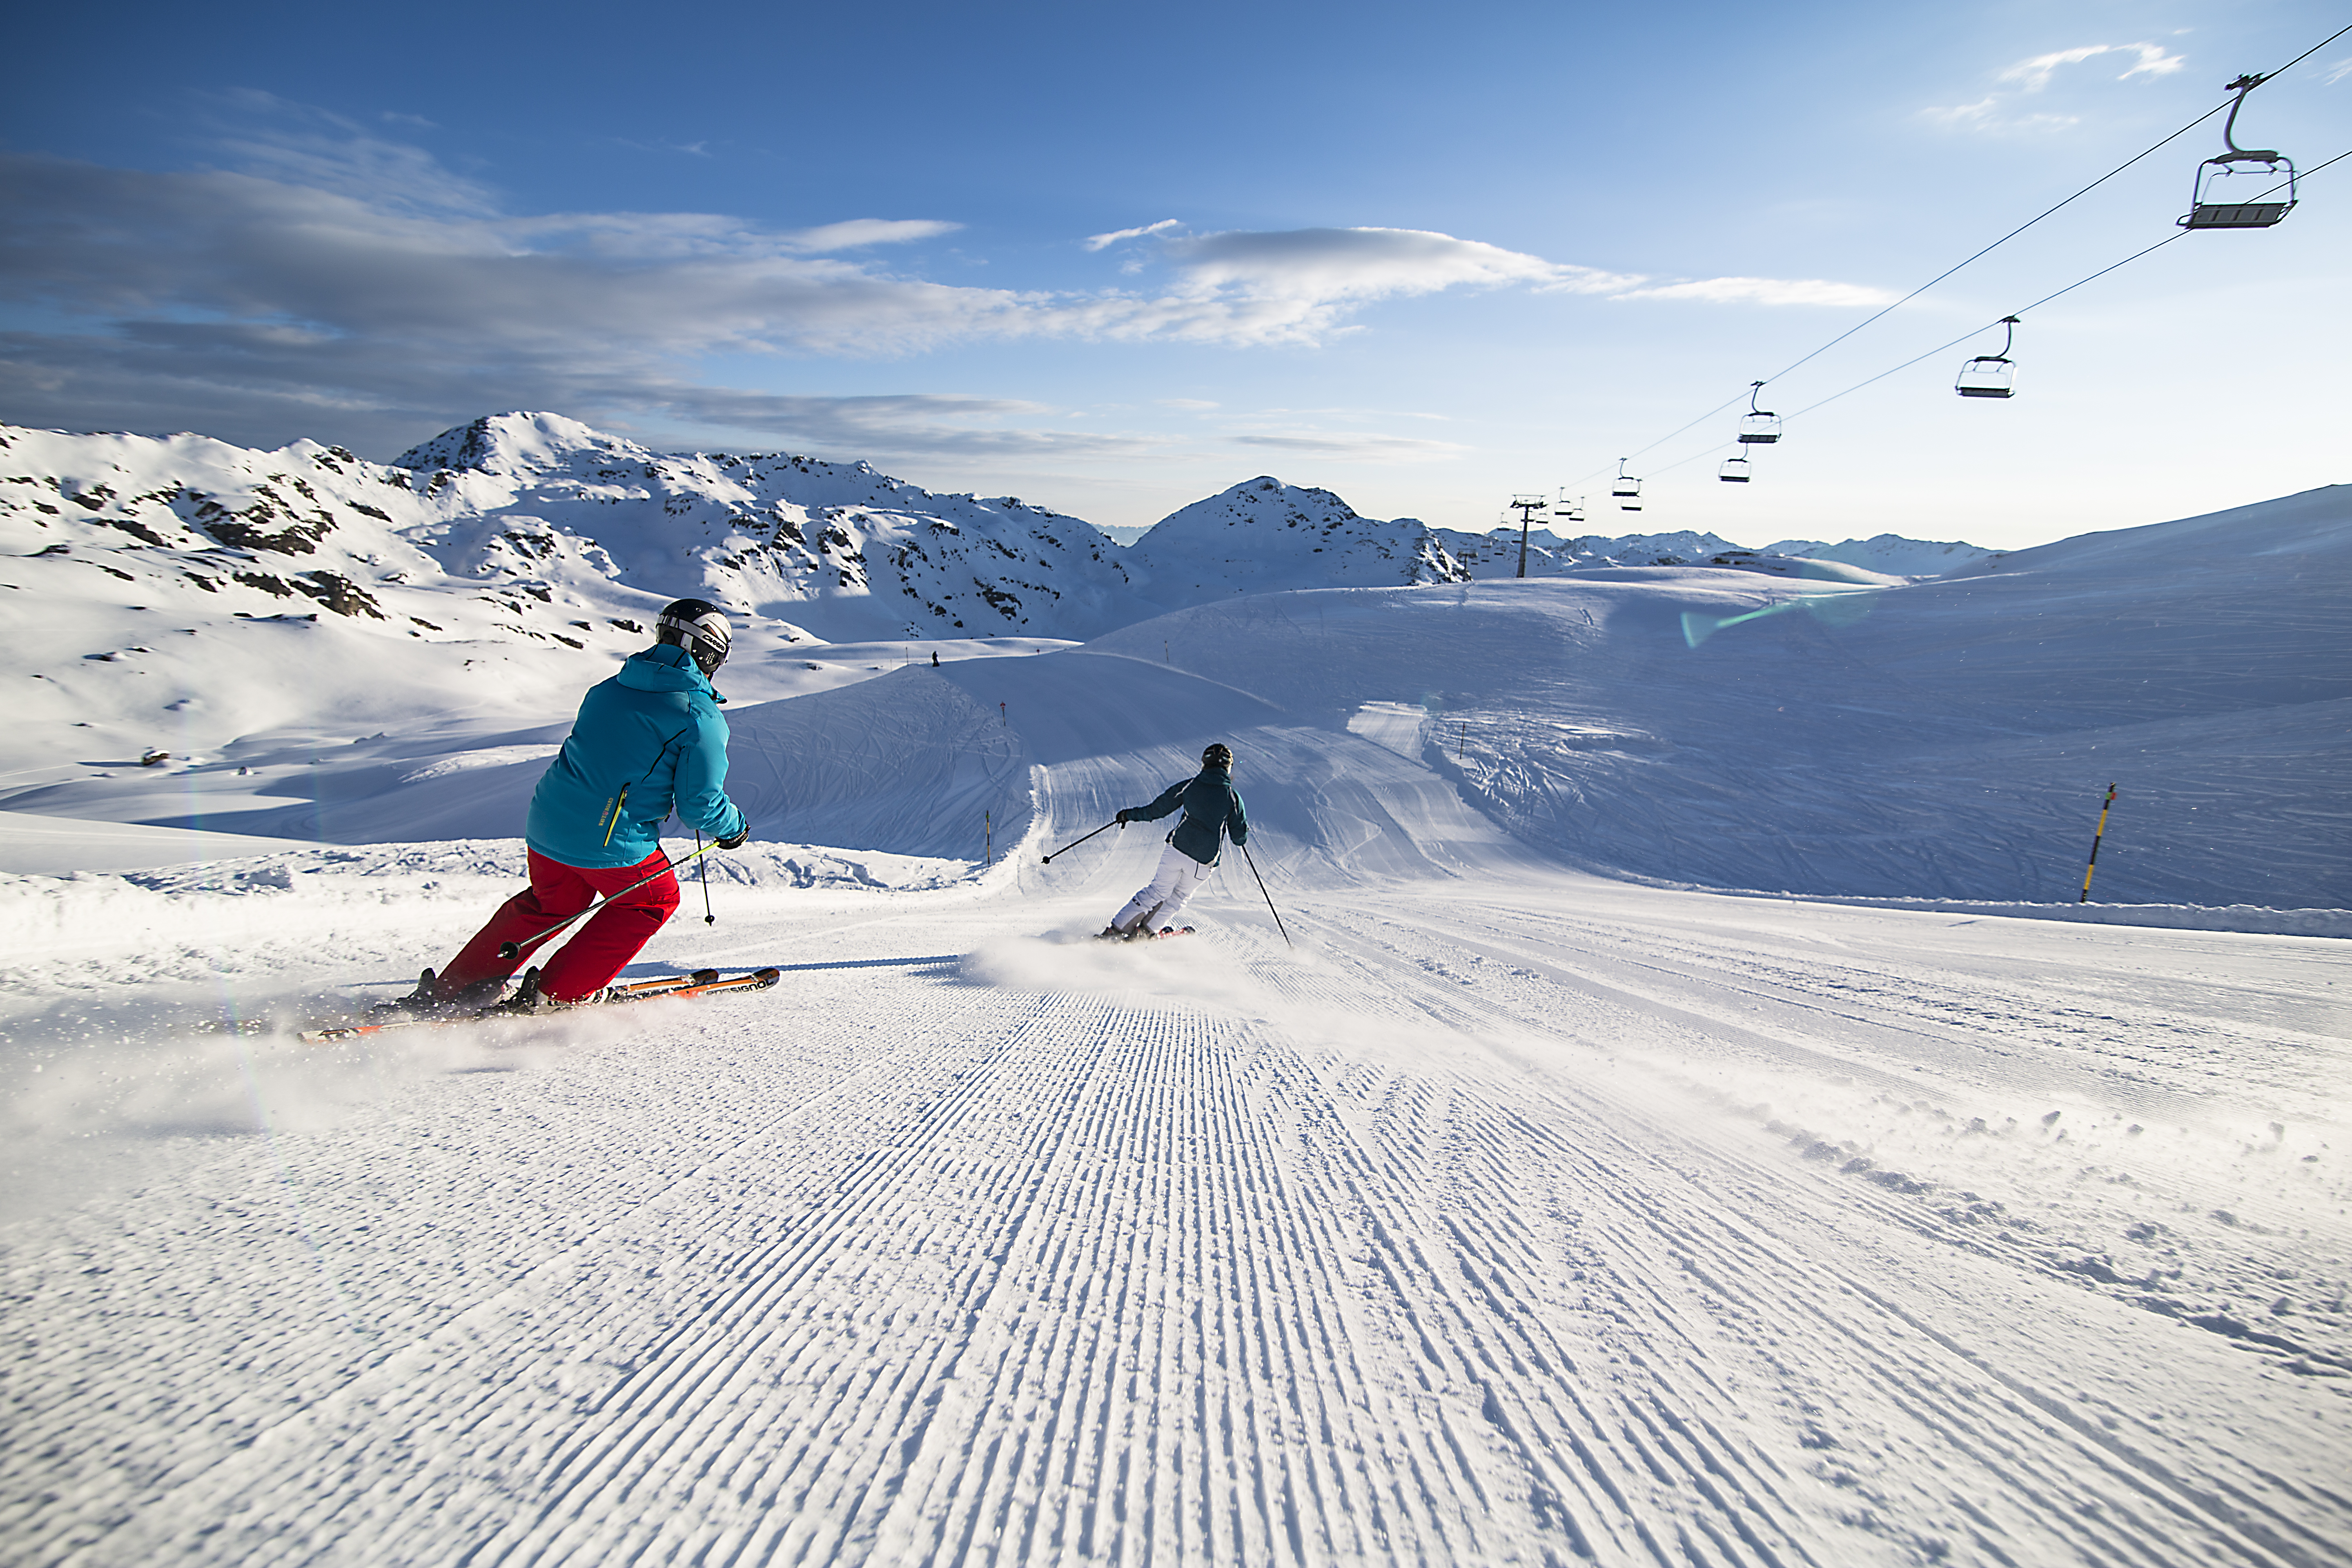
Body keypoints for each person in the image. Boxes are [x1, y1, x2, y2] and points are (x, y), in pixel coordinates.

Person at [412, 598, 751, 1011]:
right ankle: (558, 993)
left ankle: (458, 987)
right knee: (651, 900)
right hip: (609, 838)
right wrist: (734, 828)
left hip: (549, 821)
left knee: (552, 904)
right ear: (708, 652)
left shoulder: (609, 688)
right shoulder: (699, 717)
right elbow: (699, 806)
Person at [1100, 743, 1247, 940]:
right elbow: (1239, 838)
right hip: (1203, 862)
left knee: (1157, 891)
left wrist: (1128, 815)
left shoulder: (1190, 785)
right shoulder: (1232, 797)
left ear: (1204, 764)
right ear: (1228, 768)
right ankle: (1143, 934)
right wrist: (1240, 830)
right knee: (1177, 898)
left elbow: (1156, 810)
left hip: (1176, 851)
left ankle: (1115, 932)